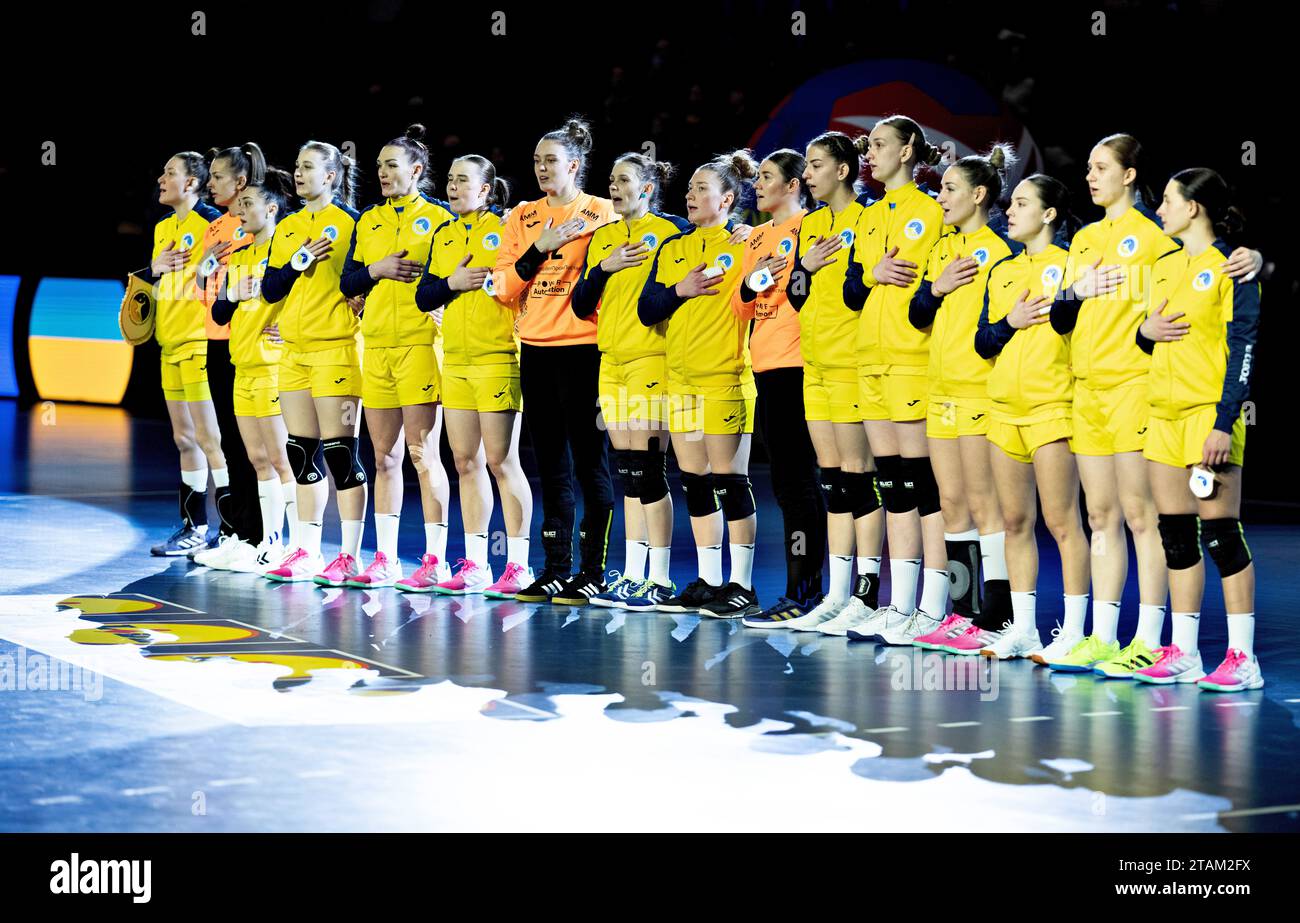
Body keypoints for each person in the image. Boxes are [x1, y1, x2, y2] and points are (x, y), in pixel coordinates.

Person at [1045, 135, 1262, 673]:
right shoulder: (1148, 259)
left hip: (1183, 409)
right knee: (1154, 528)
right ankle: (1169, 650)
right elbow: (1132, 329)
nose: (1089, 177)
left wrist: (1257, 258)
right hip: (1139, 408)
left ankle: (1230, 654)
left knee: (1211, 532)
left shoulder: (1189, 255)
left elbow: (1243, 343)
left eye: (1101, 167)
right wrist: (1114, 312)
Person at [1132, 168, 1262, 691]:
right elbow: (1147, 339)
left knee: (1222, 536)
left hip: (1208, 417)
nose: (1158, 209)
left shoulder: (1232, 266)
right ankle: (1183, 652)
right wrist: (1144, 331)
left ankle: (1242, 659)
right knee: (1176, 537)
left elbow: (1245, 349)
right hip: (1160, 415)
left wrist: (1225, 423)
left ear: (1194, 208)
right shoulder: (1163, 265)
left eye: (1166, 200)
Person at [491, 117, 618, 605]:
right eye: (538, 161)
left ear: (575, 164)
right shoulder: (522, 216)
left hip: (585, 350)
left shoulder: (603, 212)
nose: (543, 168)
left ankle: (593, 570)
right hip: (536, 351)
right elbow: (501, 288)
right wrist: (540, 248)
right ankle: (555, 569)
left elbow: (652, 238)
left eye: (553, 161)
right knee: (550, 465)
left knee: (591, 463)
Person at [904, 145, 1020, 648]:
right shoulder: (940, 248)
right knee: (951, 503)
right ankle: (964, 612)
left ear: (978, 194)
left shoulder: (1000, 252)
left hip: (980, 391)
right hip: (940, 391)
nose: (940, 196)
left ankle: (998, 617)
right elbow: (917, 313)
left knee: (985, 504)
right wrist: (938, 285)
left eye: (950, 188)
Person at [638, 150, 761, 617]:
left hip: (726, 378)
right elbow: (648, 309)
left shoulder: (746, 243)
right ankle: (709, 580)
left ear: (727, 198)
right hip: (680, 381)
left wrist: (752, 238)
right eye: (688, 189)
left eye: (701, 189)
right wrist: (678, 291)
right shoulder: (672, 248)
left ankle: (742, 584)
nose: (689, 196)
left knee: (731, 481)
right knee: (695, 481)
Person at [972, 174, 1090, 660]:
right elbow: (983, 343)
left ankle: (1077, 631)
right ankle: (1023, 629)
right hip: (1003, 411)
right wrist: (1009, 323)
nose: (1009, 211)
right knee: (1015, 520)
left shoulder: (1071, 267)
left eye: (1022, 204)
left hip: (1053, 407)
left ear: (1049, 214)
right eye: (1011, 203)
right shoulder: (999, 270)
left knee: (1063, 523)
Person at [841, 116, 949, 644]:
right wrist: (870, 276)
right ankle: (899, 604)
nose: (871, 153)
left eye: (881, 145)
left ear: (908, 150)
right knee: (894, 487)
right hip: (870, 360)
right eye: (869, 145)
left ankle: (933, 606)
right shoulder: (868, 216)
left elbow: (938, 287)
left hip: (913, 359)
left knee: (924, 485)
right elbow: (854, 293)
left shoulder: (931, 211)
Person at [408, 154, 534, 597]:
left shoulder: (508, 229)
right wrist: (452, 283)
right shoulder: (443, 234)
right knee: (466, 462)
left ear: (485, 190)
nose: (453, 186)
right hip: (456, 361)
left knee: (503, 461)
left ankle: (518, 565)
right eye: (450, 179)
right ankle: (476, 563)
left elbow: (525, 279)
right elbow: (425, 296)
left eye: (464, 181)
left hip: (498, 356)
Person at [572, 152, 690, 610]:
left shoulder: (671, 230)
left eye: (623, 180)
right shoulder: (602, 238)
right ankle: (635, 572)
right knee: (626, 473)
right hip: (611, 361)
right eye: (610, 179)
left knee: (647, 470)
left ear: (646, 188)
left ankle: (659, 578)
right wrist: (605, 268)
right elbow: (581, 305)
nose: (613, 187)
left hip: (652, 359)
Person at [339, 125, 455, 588]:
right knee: (383, 457)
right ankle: (384, 557)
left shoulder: (443, 219)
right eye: (380, 165)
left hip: (423, 347)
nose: (383, 172)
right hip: (377, 349)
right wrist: (376, 271)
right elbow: (348, 282)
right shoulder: (368, 219)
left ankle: (435, 559)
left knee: (423, 455)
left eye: (393, 165)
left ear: (417, 171)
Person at [260, 140, 367, 584]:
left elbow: (366, 279)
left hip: (337, 349)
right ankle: (306, 549)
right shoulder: (287, 226)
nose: (298, 174)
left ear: (331, 175)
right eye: (297, 167)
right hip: (295, 354)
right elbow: (270, 289)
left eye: (308, 168)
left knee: (341, 453)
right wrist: (298, 262)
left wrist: (363, 299)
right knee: (301, 453)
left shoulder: (352, 223)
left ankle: (349, 556)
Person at [209, 168, 297, 572]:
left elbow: (304, 298)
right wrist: (230, 292)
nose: (239, 211)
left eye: (248, 204)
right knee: (258, 460)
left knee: (282, 461)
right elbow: (220, 312)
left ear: (272, 208)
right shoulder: (240, 254)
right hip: (242, 366)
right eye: (239, 203)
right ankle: (266, 541)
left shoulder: (283, 253)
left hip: (274, 369)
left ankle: (293, 547)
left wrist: (291, 326)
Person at [145, 152, 227, 557]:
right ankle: (194, 527)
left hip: (199, 343)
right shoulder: (162, 228)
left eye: (170, 172)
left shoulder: (212, 224)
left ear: (192, 183)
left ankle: (228, 530)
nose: (162, 178)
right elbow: (156, 285)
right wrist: (153, 268)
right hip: (169, 344)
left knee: (211, 439)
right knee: (184, 439)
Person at [191, 142, 265, 570]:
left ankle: (259, 537)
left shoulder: (257, 223)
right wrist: (203, 270)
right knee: (229, 444)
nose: (209, 183)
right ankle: (237, 532)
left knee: (252, 446)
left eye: (217, 177)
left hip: (250, 345)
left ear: (240, 181)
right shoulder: (215, 228)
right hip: (216, 342)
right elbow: (204, 296)